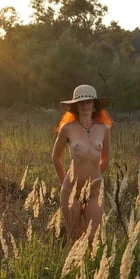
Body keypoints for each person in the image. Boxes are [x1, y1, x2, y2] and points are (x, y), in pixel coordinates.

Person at [51, 84, 112, 242]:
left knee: (92, 237)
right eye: (81, 103)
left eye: (88, 102)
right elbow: (55, 157)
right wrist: (64, 181)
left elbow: (106, 157)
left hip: (94, 190)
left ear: (94, 105)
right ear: (76, 106)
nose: (85, 106)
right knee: (74, 237)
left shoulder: (104, 129)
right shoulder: (67, 128)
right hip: (72, 189)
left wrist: (96, 176)